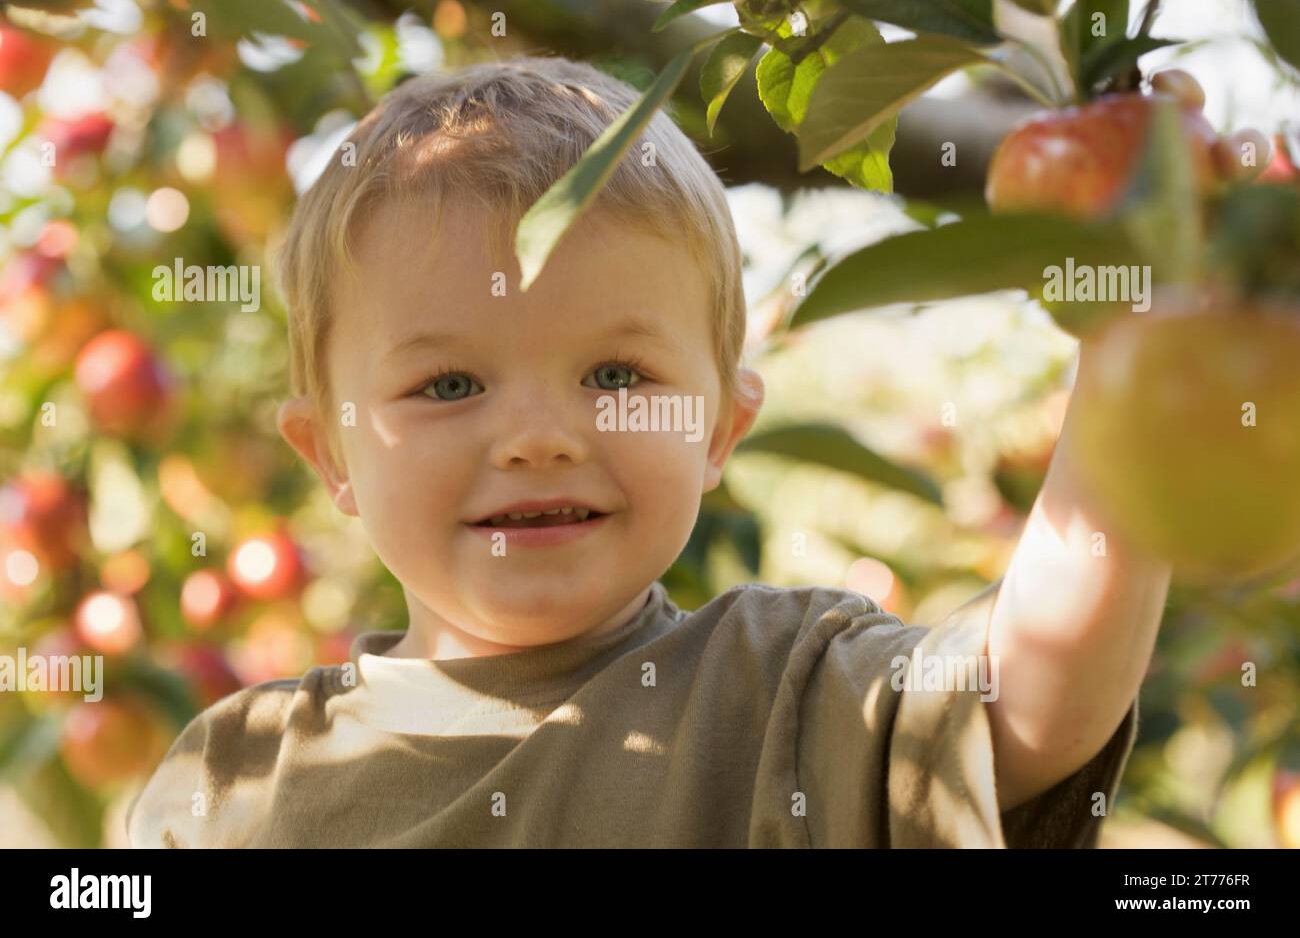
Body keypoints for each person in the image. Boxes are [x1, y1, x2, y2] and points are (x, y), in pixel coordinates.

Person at [126, 54, 1162, 848]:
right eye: (447, 385)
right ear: (330, 455)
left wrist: (1150, 340)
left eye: (618, 375)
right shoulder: (233, 772)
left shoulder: (786, 690)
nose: (538, 437)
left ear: (720, 428)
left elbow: (1033, 693)